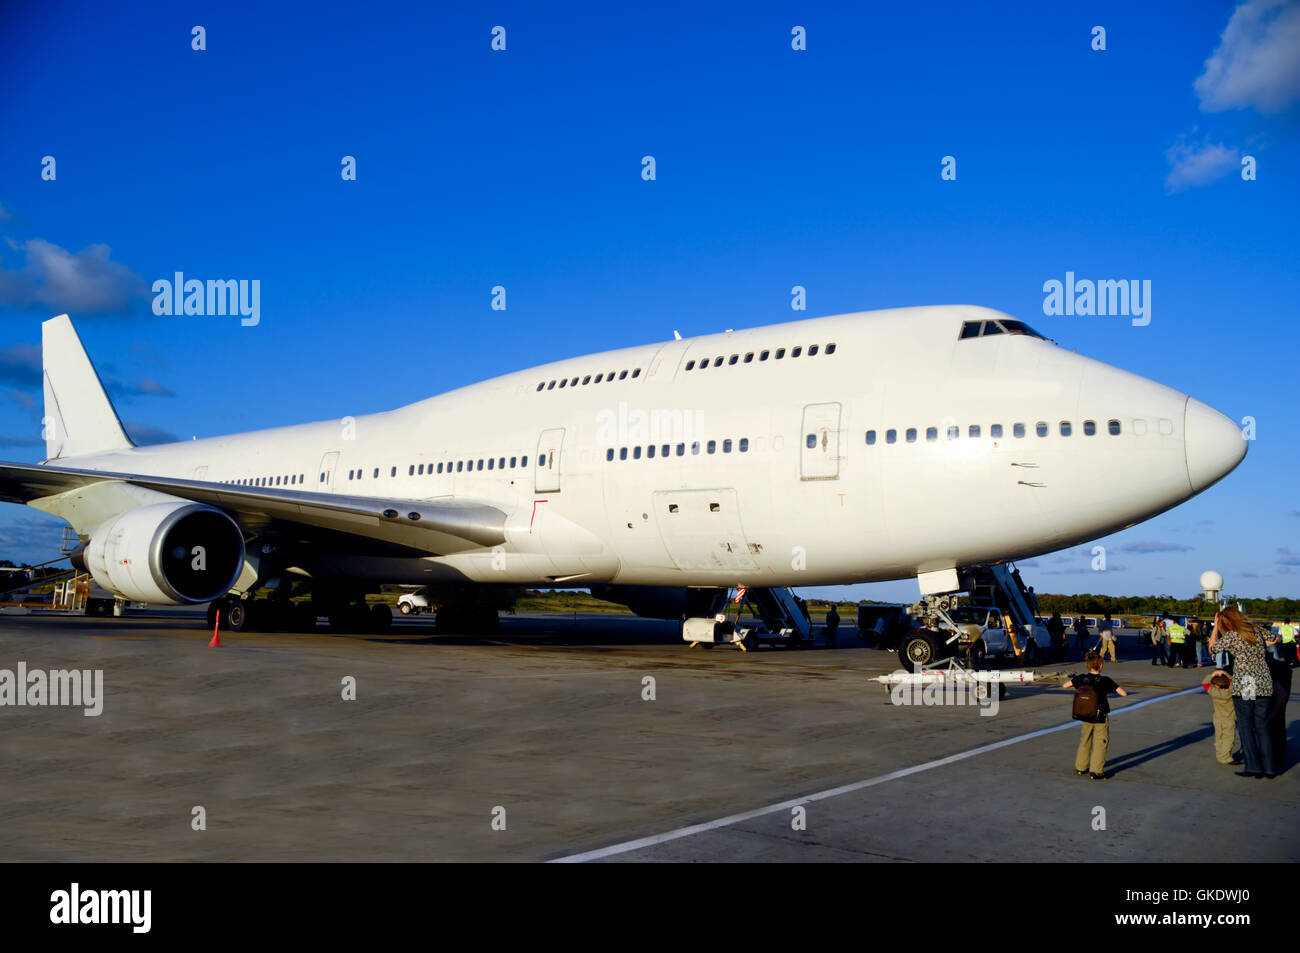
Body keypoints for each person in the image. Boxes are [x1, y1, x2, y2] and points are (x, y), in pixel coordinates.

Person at [1208, 607, 1275, 779]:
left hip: (1247, 682)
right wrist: (1258, 648)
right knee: (1262, 726)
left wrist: (1215, 627)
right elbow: (1274, 639)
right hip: (1264, 681)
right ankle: (1269, 768)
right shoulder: (1256, 629)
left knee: (1246, 726)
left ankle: (1253, 767)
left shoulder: (1232, 635)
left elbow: (1212, 648)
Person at [1064, 651, 1128, 779]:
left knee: (1085, 740)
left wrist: (1080, 689)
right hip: (1100, 716)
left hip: (1085, 714)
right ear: (1101, 665)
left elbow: (1065, 685)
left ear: (1088, 665)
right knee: (1100, 742)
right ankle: (1096, 770)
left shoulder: (1082, 678)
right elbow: (1123, 693)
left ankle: (1081, 767)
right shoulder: (1105, 680)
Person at [1202, 670, 1240, 766]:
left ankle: (1220, 755)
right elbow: (1233, 680)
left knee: (1219, 736)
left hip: (1218, 718)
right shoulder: (1232, 690)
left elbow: (1205, 683)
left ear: (1217, 686)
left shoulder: (1214, 692)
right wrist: (1224, 673)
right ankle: (1225, 757)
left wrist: (1213, 674)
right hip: (1229, 719)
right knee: (1229, 738)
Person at [1265, 653, 1291, 770]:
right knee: (1278, 726)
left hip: (1270, 702)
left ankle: (1273, 756)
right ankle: (1279, 754)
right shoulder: (1280, 666)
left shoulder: (1264, 665)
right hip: (1277, 701)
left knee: (1271, 728)